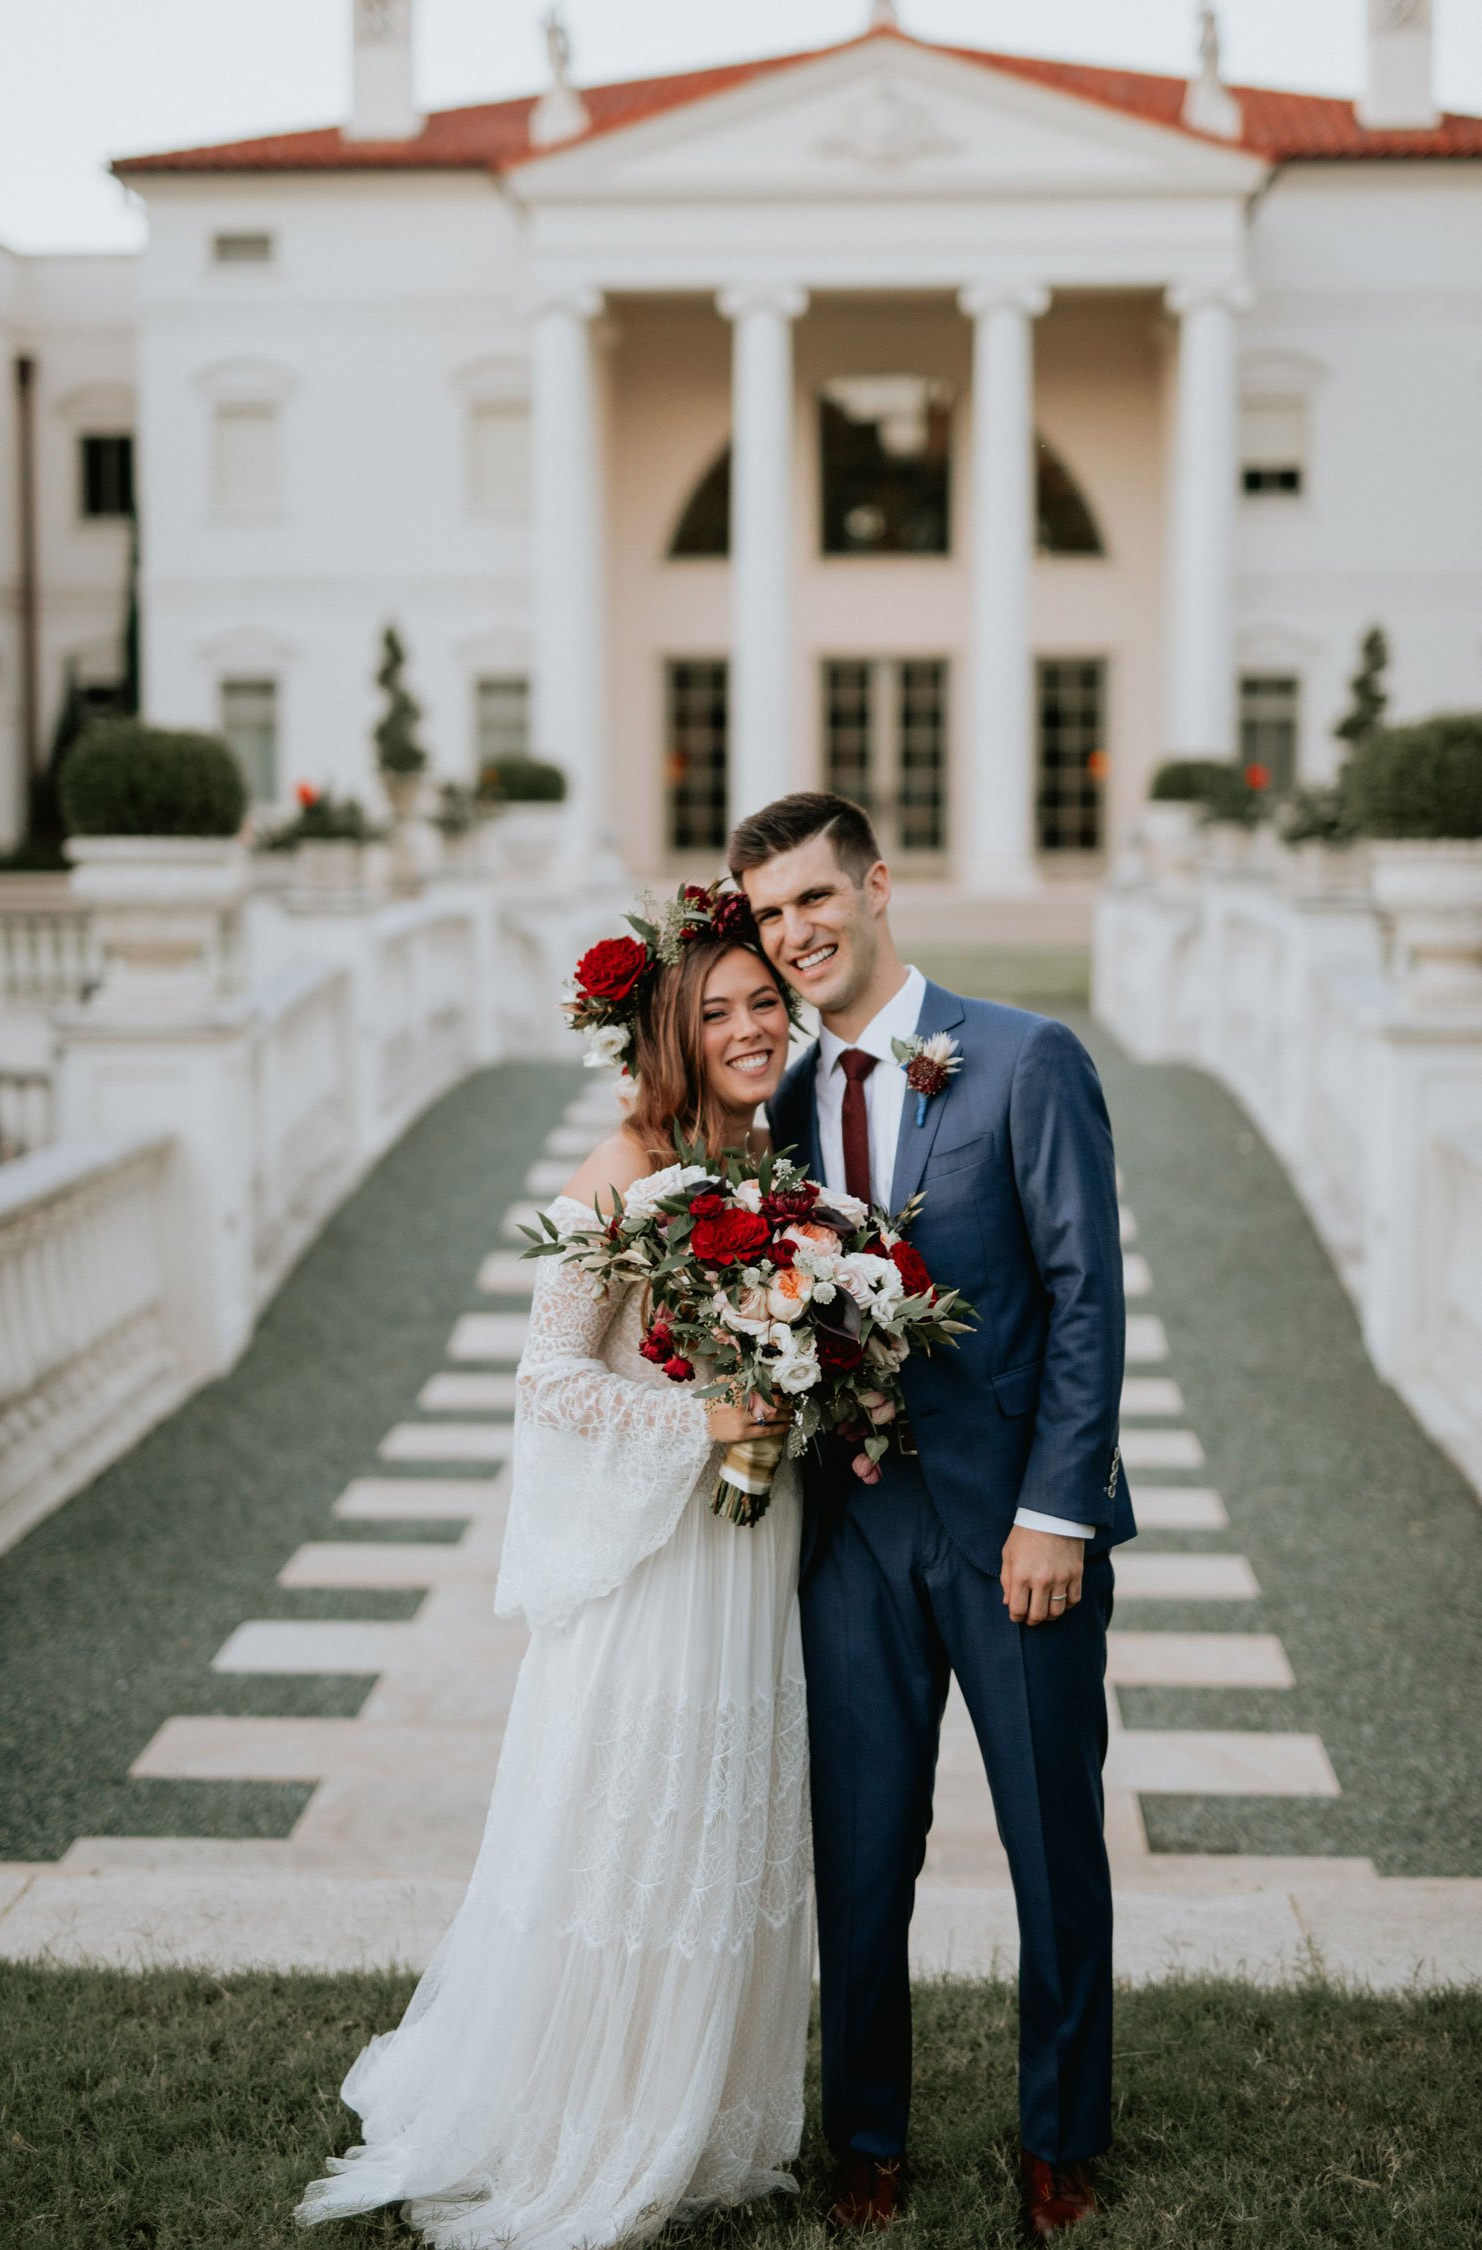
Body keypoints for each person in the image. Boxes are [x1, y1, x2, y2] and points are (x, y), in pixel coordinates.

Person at [296, 906, 812, 2250]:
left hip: (748, 1556)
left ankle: (696, 2113)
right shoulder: (622, 1164)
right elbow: (548, 1378)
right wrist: (701, 1424)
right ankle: (589, 2116)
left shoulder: (769, 1157)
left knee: (722, 1818)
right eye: (720, 1011)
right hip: (653, 1557)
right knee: (631, 1820)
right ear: (669, 1032)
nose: (752, 1027)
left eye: (765, 1002)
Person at [734, 792, 1134, 2245]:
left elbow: (1089, 1299)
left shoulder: (1027, 1058)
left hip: (1014, 1530)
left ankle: (1062, 2137)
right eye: (771, 914)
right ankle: (868, 2142)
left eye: (813, 899)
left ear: (878, 884)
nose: (796, 933)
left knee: (1052, 1845)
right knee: (857, 1856)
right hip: (851, 1536)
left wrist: (1057, 1514)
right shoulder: (768, 1100)